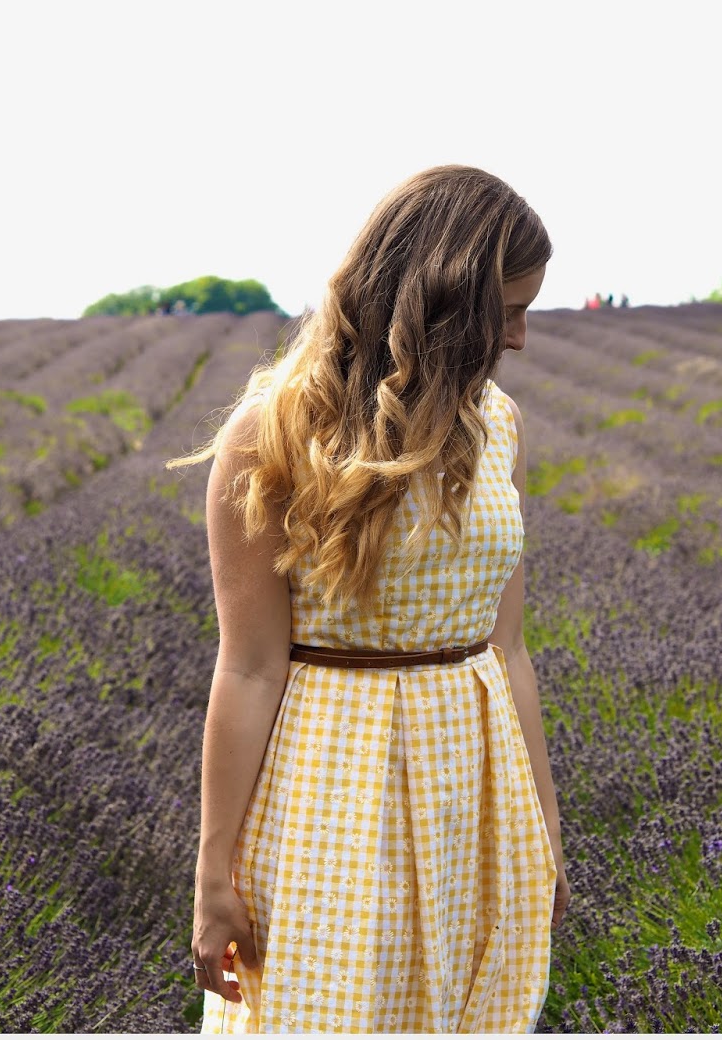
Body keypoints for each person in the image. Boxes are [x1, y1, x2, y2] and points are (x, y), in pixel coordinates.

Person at [168, 164, 569, 1033]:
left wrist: (544, 824)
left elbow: (510, 648)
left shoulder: (498, 425)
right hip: (335, 788)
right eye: (508, 312)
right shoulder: (270, 433)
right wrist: (212, 875)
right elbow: (246, 667)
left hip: (477, 777)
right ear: (443, 302)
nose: (523, 339)